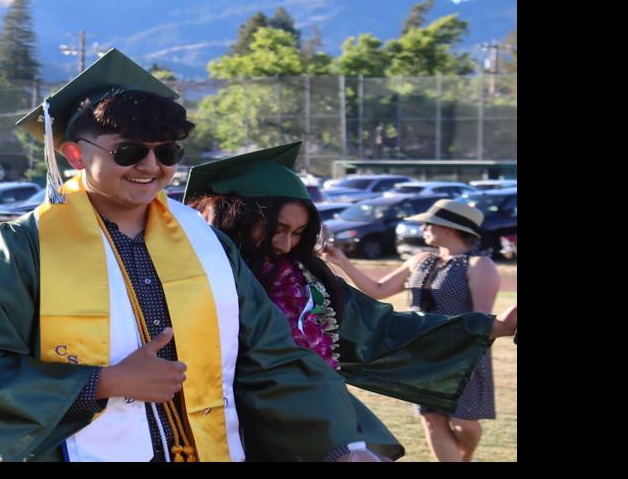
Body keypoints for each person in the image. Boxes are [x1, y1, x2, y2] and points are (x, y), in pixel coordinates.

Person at [0, 50, 392, 461]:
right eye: (128, 151)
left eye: (166, 151)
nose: (151, 167)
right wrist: (100, 384)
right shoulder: (21, 248)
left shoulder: (208, 243)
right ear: (72, 153)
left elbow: (273, 357)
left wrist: (341, 447)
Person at [183, 142, 495, 417]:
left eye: (298, 233)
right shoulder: (191, 272)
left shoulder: (306, 280)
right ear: (237, 218)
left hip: (298, 419)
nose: (286, 244)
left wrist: (493, 326)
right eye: (278, 229)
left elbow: (379, 326)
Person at [327, 198, 502, 462]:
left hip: (462, 351)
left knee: (463, 423)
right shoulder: (420, 259)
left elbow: (483, 319)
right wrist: (342, 263)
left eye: (429, 224)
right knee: (432, 419)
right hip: (422, 349)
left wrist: (468, 352)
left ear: (450, 229)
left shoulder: (479, 265)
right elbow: (379, 290)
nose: (423, 229)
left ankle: (465, 456)